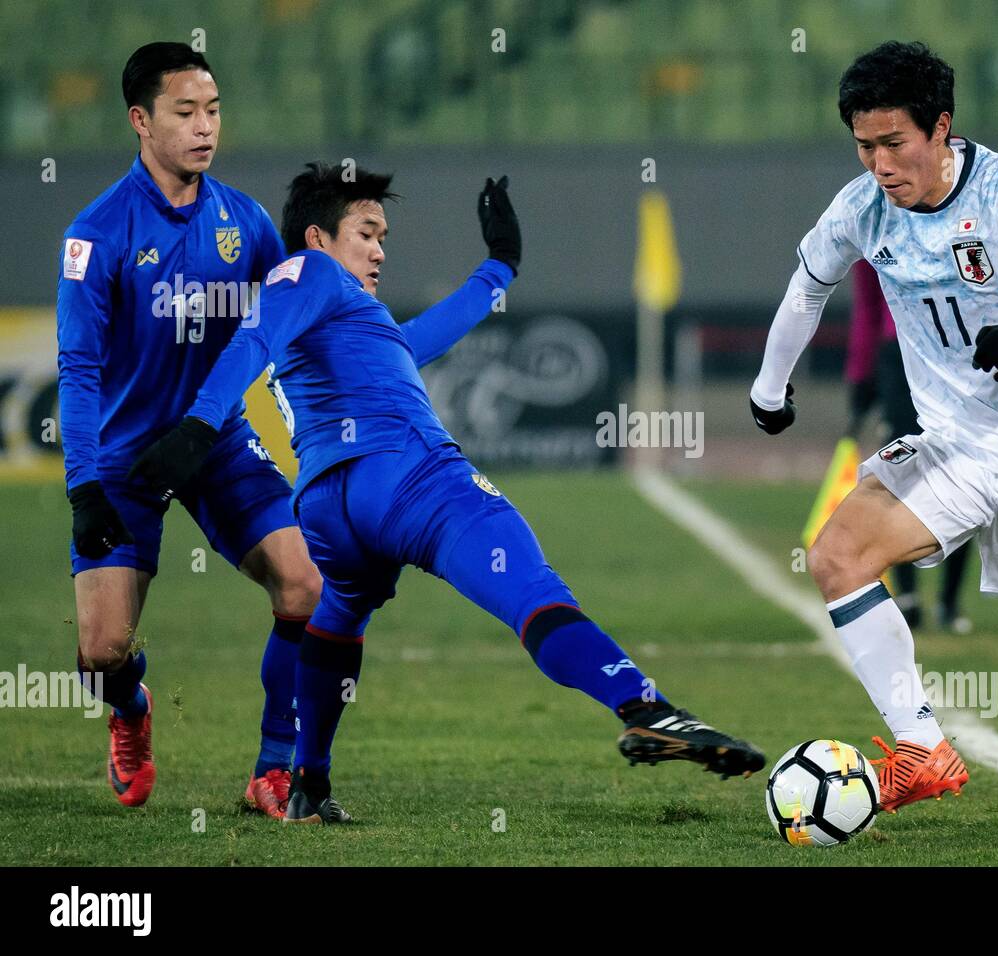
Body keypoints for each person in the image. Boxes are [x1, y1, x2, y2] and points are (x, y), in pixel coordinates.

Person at [130, 163, 765, 823]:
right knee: (530, 588)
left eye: (383, 237)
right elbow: (255, 335)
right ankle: (644, 707)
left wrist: (499, 268)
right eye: (366, 233)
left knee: (337, 619)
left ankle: (309, 782)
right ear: (318, 237)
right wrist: (201, 424)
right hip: (407, 478)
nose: (380, 251)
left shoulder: (348, 320)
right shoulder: (308, 271)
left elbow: (423, 336)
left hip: (329, 509)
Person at [749, 42, 998, 831]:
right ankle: (922, 746)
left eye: (894, 143)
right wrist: (769, 385)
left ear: (941, 128)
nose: (880, 164)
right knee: (837, 557)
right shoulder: (861, 207)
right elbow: (807, 287)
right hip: (954, 446)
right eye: (865, 146)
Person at [57, 42, 320, 815]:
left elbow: (292, 318)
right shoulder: (96, 234)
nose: (205, 127)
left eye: (213, 110)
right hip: (126, 460)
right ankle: (130, 707)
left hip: (217, 446)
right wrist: (84, 488)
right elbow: (78, 371)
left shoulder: (246, 221)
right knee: (101, 654)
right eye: (186, 112)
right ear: (141, 121)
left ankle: (273, 768)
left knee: (305, 582)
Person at [846, 260, 972, 633]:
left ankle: (949, 600)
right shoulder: (870, 236)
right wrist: (861, 376)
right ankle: (908, 595)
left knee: (962, 472)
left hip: (953, 354)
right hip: (898, 358)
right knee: (901, 473)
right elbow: (868, 307)